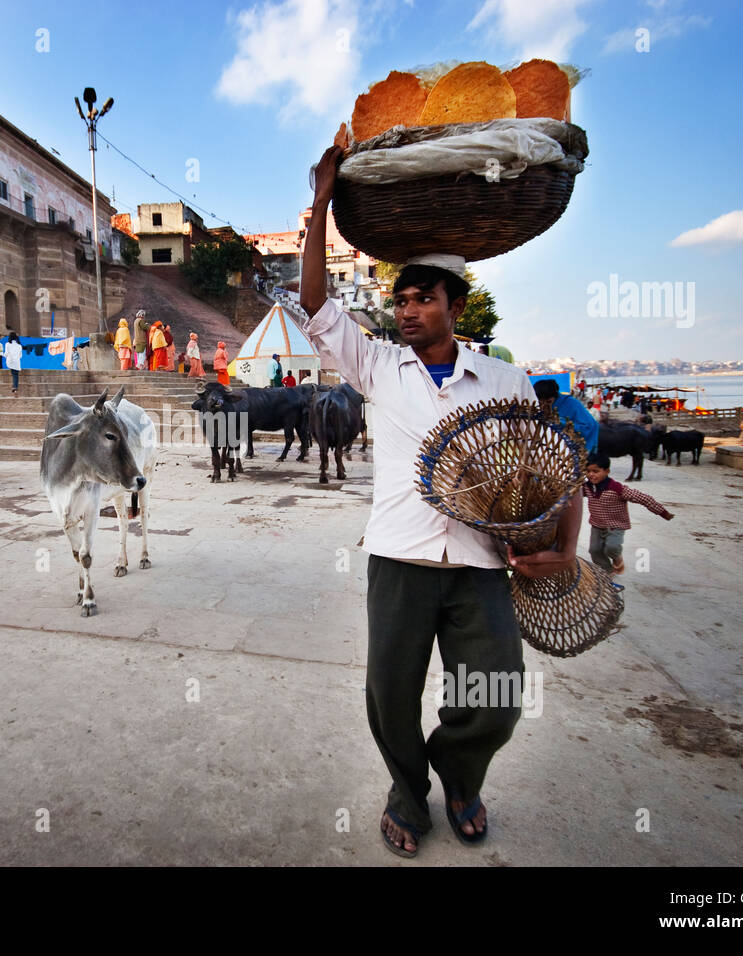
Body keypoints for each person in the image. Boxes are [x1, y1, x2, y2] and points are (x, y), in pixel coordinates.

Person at [296, 144, 582, 859]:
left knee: (496, 697)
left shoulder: (505, 382)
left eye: (424, 298)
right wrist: (324, 200)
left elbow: (549, 475)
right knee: (388, 694)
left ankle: (459, 775)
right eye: (402, 299)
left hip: (486, 563)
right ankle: (406, 791)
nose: (409, 310)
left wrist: (562, 548)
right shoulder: (378, 366)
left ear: (456, 306)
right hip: (400, 556)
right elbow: (313, 304)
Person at [583, 452, 674, 581]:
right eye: (588, 471)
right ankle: (607, 571)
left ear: (607, 471)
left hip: (615, 525)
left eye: (595, 471)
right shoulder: (587, 487)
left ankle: (617, 558)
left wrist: (663, 512)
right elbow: (571, 492)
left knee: (612, 548)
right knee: (594, 550)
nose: (591, 474)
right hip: (597, 525)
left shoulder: (617, 489)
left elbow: (643, 498)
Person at [534, 378, 599, 455]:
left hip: (575, 451)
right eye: (541, 403)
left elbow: (589, 426)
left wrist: (561, 423)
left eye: (548, 402)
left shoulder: (571, 404)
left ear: (555, 396)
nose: (544, 406)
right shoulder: (536, 407)